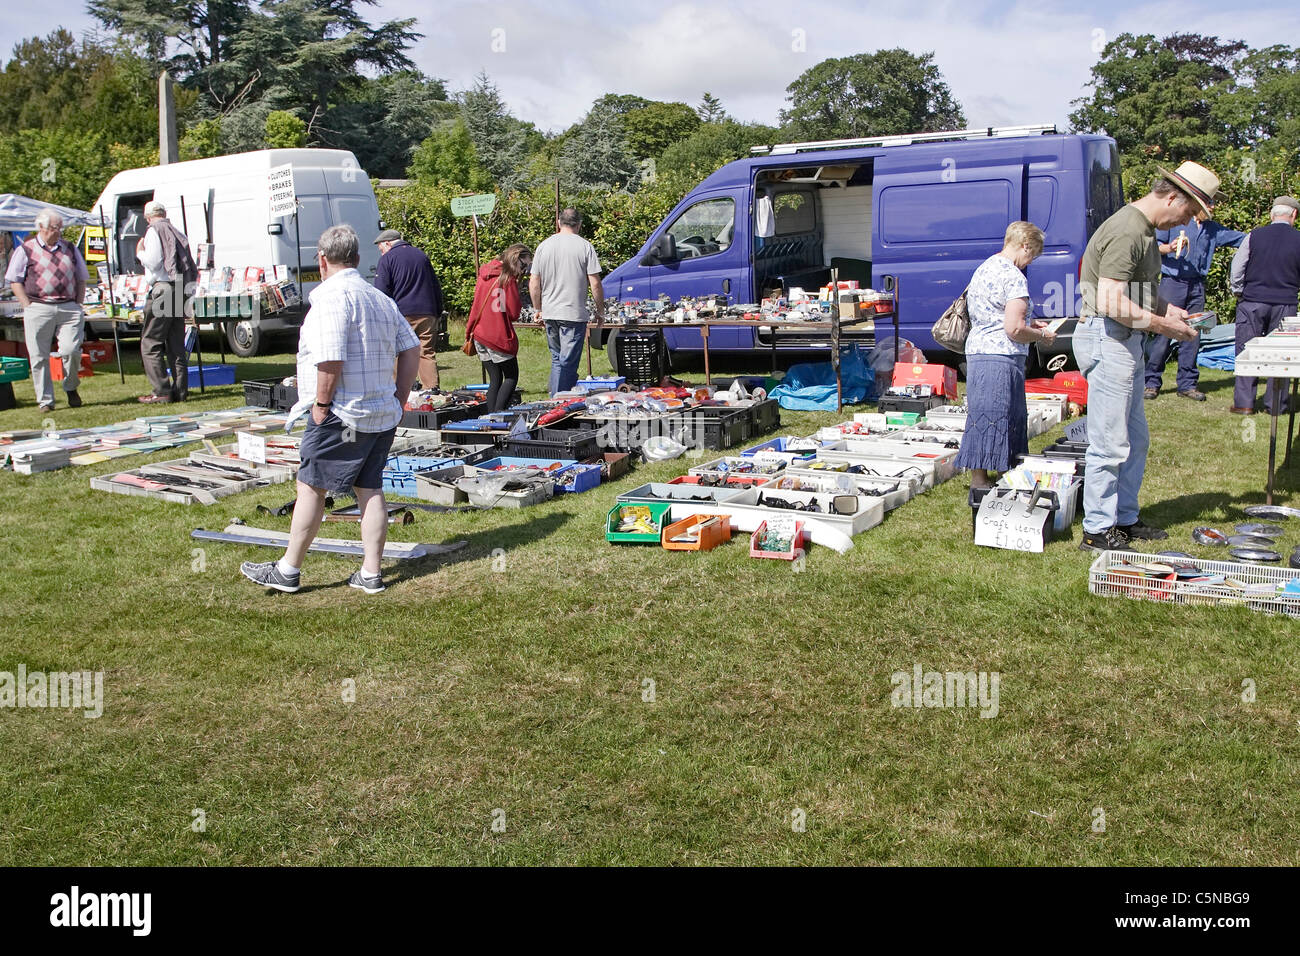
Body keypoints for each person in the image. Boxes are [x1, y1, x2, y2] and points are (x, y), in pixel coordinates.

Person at [241, 225, 420, 595]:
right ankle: (370, 574)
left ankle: (289, 570)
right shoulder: (379, 299)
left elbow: (331, 359)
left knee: (310, 487)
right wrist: (399, 398)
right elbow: (412, 348)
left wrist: (322, 406)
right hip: (379, 413)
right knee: (369, 488)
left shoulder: (330, 299)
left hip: (342, 412)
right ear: (356, 258)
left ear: (322, 260)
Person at [1073, 162, 1214, 552]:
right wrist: (1165, 328)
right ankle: (1097, 530)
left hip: (1125, 339)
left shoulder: (1145, 231)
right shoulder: (1128, 229)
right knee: (1110, 440)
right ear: (1172, 197)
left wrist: (1172, 313)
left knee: (1135, 438)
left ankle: (1125, 519)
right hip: (1108, 337)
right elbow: (1109, 301)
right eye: (1188, 212)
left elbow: (1140, 294)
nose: (1186, 221)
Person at [954, 221, 1053, 490]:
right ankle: (993, 477)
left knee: (982, 418)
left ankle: (981, 477)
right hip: (1001, 355)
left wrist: (1033, 325)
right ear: (1025, 245)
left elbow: (999, 317)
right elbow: (1015, 328)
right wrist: (1041, 335)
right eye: (1032, 254)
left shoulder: (984, 267)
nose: (1029, 261)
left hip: (978, 351)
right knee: (1002, 416)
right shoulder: (1013, 276)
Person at [1144, 204, 1244, 401]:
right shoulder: (1175, 223)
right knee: (1164, 333)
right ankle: (1151, 382)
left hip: (1198, 286)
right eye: (1209, 203)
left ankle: (1187, 385)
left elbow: (1241, 239)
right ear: (1197, 205)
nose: (1213, 207)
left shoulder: (1212, 229)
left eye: (1214, 203)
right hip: (1172, 283)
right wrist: (1169, 248)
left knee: (1193, 333)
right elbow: (1152, 246)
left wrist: (1269, 234)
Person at [4, 208, 88, 412]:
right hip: (38, 306)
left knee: (71, 350)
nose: (58, 231)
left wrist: (78, 302)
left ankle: (70, 386)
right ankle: (46, 401)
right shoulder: (25, 249)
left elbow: (81, 277)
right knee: (38, 356)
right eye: (53, 228)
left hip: (68, 306)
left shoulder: (69, 247)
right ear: (41, 228)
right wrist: (26, 304)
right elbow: (14, 280)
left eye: (60, 227)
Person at [1228, 196, 1300, 415]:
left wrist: (1238, 291)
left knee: (1246, 351)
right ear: (1294, 215)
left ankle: (1244, 403)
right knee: (1281, 355)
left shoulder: (1254, 236)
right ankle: (1276, 404)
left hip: (1252, 301)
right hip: (1285, 303)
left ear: (1272, 214)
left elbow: (1238, 267)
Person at [529, 208, 603, 395]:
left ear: (559, 223)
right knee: (568, 363)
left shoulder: (544, 246)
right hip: (573, 313)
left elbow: (534, 282)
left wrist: (537, 308)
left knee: (557, 359)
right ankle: (560, 403)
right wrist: (600, 311)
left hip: (551, 312)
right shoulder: (585, 246)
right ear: (578, 224)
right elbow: (594, 283)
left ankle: (554, 400)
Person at [135, 201, 197, 404]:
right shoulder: (177, 231)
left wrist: (139, 253)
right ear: (164, 213)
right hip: (180, 288)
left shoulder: (153, 231)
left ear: (147, 217)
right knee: (176, 343)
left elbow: (153, 261)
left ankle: (161, 391)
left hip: (163, 288)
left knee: (150, 342)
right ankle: (180, 391)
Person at [374, 228, 443, 390]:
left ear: (388, 243)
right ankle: (431, 390)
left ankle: (398, 391)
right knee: (426, 352)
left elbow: (381, 292)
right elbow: (435, 286)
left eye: (381, 248)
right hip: (427, 312)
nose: (381, 252)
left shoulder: (387, 259)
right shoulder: (421, 255)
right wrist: (438, 311)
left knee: (398, 353)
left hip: (402, 314)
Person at [465, 243, 531, 412]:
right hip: (498, 335)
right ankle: (498, 415)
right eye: (524, 265)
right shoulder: (507, 279)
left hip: (480, 333)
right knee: (511, 377)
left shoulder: (485, 274)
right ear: (515, 259)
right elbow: (513, 312)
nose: (524, 270)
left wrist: (469, 332)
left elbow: (476, 306)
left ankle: (490, 416)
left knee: (494, 379)